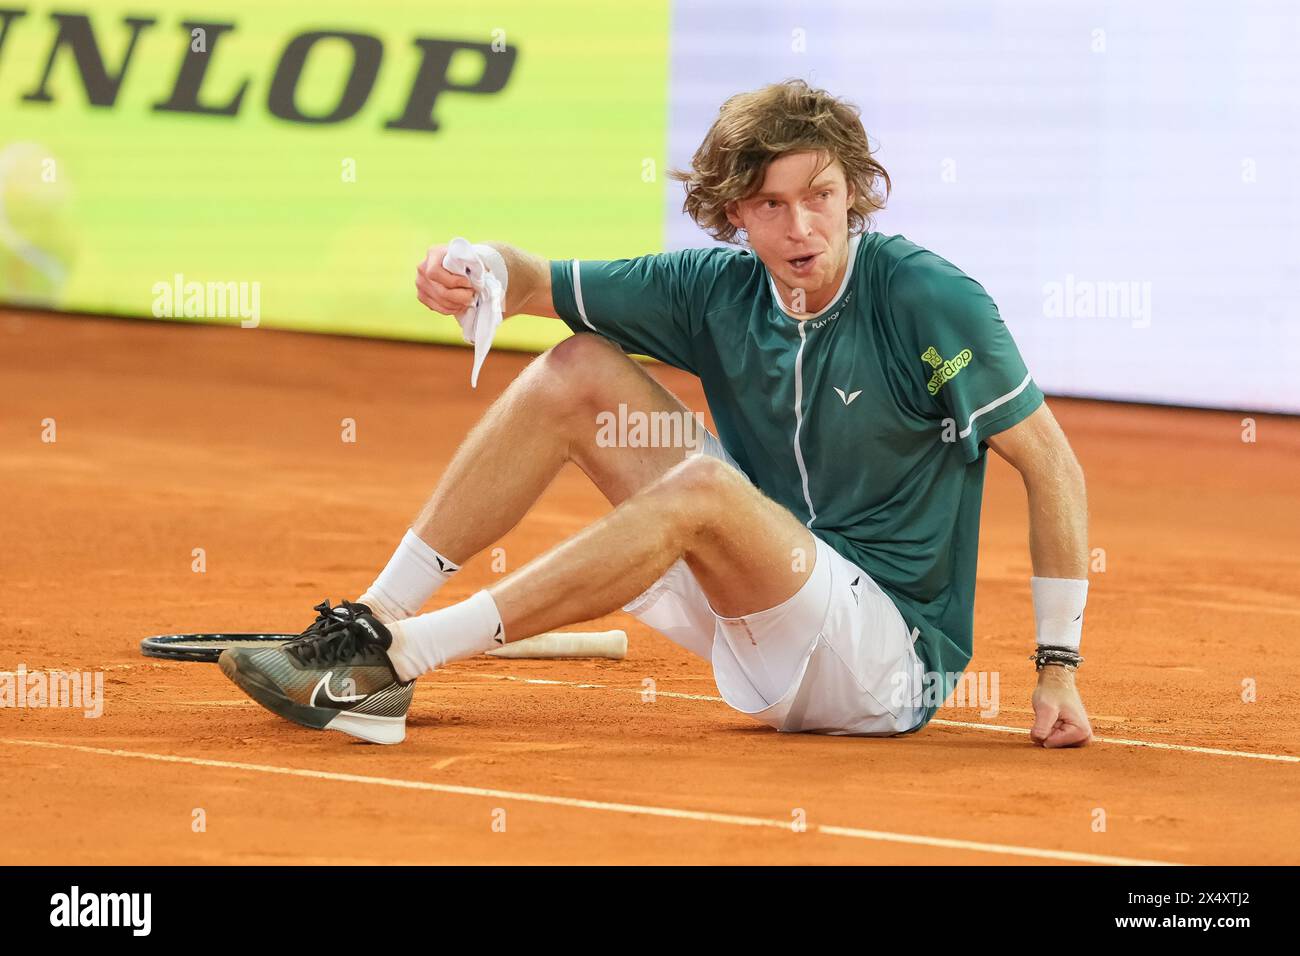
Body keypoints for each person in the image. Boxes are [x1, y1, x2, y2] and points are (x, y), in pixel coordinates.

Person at [220, 79, 1092, 749]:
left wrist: (1058, 668)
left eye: (822, 196)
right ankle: (371, 625)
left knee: (705, 489)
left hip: (882, 662)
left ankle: (403, 659)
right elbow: (533, 281)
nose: (802, 227)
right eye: (772, 204)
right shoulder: (713, 289)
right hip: (759, 602)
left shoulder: (925, 297)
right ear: (734, 212)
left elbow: (1053, 465)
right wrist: (474, 266)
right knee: (578, 367)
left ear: (854, 192)